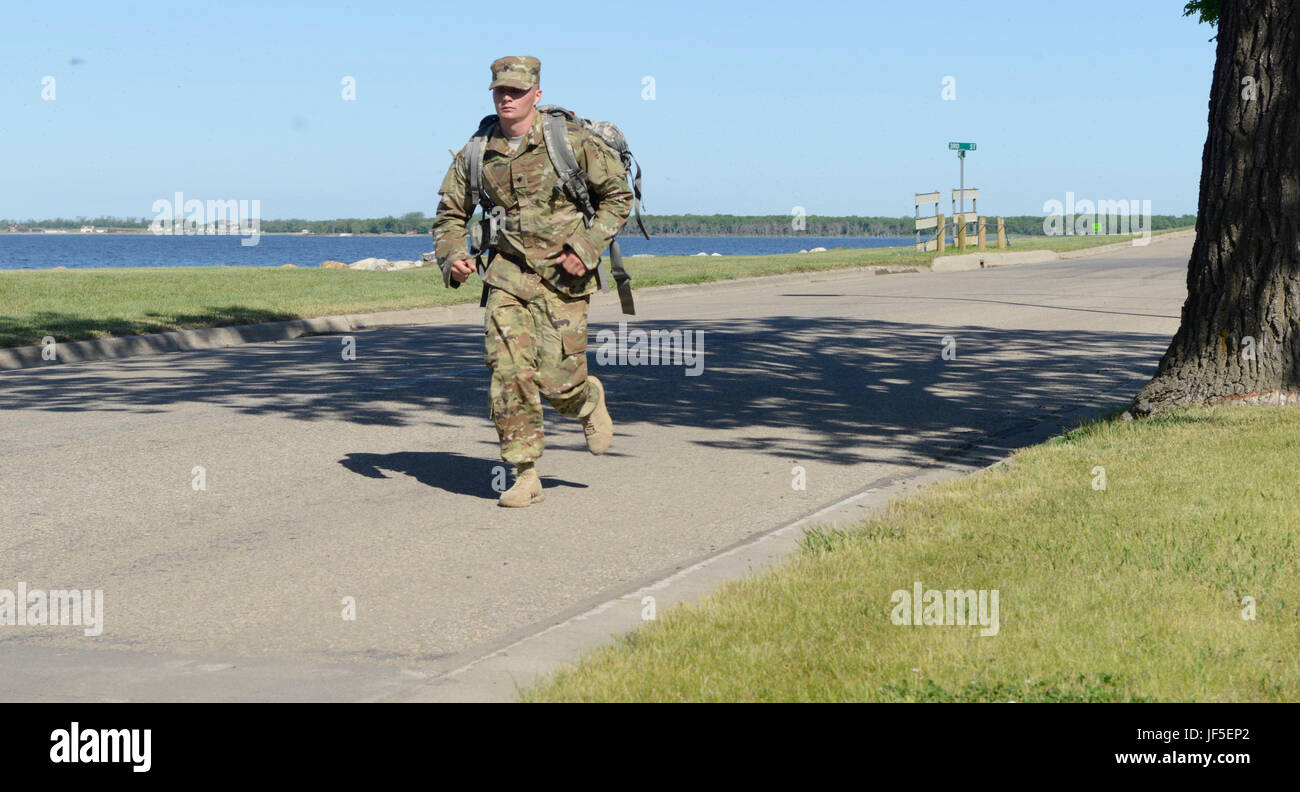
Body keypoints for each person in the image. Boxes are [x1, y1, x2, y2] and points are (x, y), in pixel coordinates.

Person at [431, 55, 633, 508]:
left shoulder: (570, 141)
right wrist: (455, 257)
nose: (507, 99)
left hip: (565, 276)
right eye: (500, 91)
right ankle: (524, 473)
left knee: (557, 382)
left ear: (536, 95)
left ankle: (585, 399)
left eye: (517, 92)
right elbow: (450, 215)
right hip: (508, 276)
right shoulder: (477, 151)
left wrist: (586, 248)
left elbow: (618, 197)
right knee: (508, 371)